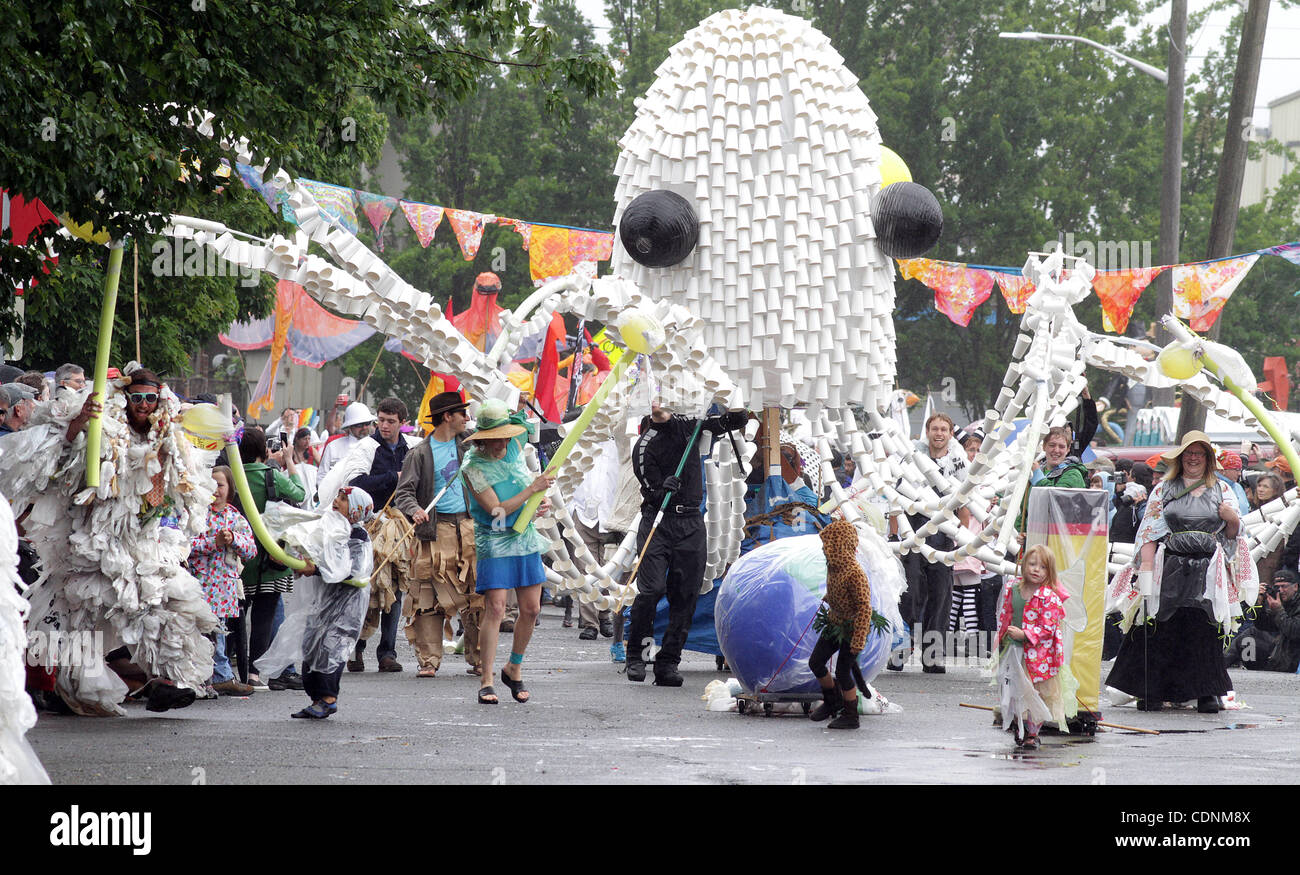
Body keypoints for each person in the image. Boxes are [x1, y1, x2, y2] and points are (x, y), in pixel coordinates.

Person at [0, 363, 220, 714]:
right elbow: (58, 459)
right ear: (126, 399)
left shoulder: (167, 437)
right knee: (78, 617)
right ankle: (70, 688)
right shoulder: (102, 424)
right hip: (90, 537)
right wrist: (82, 421)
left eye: (150, 398)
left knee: (160, 602)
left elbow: (172, 490)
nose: (144, 405)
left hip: (141, 538)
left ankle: (168, 681)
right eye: (138, 398)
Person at [1106, 431, 1249, 713]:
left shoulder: (1222, 490)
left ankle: (1206, 691)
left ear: (1207, 459)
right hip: (1168, 564)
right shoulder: (1164, 489)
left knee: (1202, 628)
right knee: (1159, 626)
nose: (1193, 458)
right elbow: (1149, 532)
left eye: (1199, 453)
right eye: (1189, 453)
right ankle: (1151, 689)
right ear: (1181, 457)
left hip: (1207, 568)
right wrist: (1145, 575)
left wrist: (1230, 518)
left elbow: (1234, 533)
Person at [625, 402, 748, 686]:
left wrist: (737, 414)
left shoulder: (690, 424)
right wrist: (659, 489)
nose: (660, 405)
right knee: (651, 589)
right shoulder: (645, 445)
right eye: (655, 402)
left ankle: (668, 662)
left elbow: (723, 425)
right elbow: (649, 488)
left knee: (686, 595)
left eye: (665, 399)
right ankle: (637, 653)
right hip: (658, 520)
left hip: (691, 522)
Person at [461, 399, 554, 705]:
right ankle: (486, 679)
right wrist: (532, 490)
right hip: (494, 539)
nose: (503, 443)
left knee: (531, 609)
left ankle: (514, 666)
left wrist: (539, 503)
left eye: (505, 435)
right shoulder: (472, 468)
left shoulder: (514, 447)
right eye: (495, 438)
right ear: (483, 439)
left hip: (525, 538)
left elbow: (528, 487)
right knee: (497, 608)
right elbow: (496, 510)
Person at [391, 391, 484, 678]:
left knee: (477, 596)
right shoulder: (419, 453)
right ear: (448, 417)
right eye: (462, 413)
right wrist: (415, 509)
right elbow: (403, 492)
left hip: (468, 528)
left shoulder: (469, 445)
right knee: (427, 599)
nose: (466, 418)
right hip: (435, 531)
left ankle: (479, 658)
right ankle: (428, 661)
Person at [335, 397, 420, 673]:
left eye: (390, 421)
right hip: (369, 525)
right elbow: (355, 484)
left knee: (394, 586)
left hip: (398, 528)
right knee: (365, 588)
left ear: (402, 423)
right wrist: (392, 477)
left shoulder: (411, 449)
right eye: (381, 420)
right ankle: (356, 650)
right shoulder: (367, 448)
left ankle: (387, 651)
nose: (384, 425)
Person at [285, 487, 375, 719]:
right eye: (338, 497)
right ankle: (316, 698)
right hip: (323, 601)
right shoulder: (328, 528)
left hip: (346, 605)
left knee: (331, 647)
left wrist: (315, 568)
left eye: (344, 500)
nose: (337, 501)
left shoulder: (358, 537)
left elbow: (351, 570)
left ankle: (328, 698)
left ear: (355, 510)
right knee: (311, 645)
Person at [890, 412, 968, 673]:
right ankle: (899, 651)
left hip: (944, 535)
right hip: (913, 531)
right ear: (927, 431)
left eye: (944, 429)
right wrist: (895, 534)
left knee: (940, 595)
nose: (939, 433)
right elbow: (896, 498)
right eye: (935, 428)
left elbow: (965, 501)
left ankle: (932, 656)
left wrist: (962, 537)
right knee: (909, 593)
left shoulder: (958, 462)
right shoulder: (914, 459)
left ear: (950, 434)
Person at [235, 426, 306, 691]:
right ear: (265, 450)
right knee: (264, 618)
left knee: (236, 617)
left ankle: (234, 672)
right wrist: (288, 460)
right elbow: (300, 493)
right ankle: (254, 674)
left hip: (238, 560)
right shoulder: (271, 476)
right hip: (271, 560)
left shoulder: (230, 476)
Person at [187, 466, 257, 697]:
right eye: (212, 484)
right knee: (200, 634)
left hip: (223, 588)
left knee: (219, 633)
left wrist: (233, 539)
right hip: (198, 586)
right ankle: (205, 677)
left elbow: (250, 550)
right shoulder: (196, 515)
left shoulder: (235, 517)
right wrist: (213, 543)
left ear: (230, 489)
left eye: (220, 485)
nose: (216, 490)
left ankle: (220, 676)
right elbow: (185, 547)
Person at [995, 545, 1068, 750]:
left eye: (1043, 567)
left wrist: (1026, 634)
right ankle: (1019, 727)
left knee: (1035, 694)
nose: (1036, 570)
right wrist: (1001, 639)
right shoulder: (1013, 588)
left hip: (1039, 656)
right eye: (1032, 564)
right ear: (1023, 564)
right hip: (1014, 650)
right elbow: (1005, 614)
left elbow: (1049, 627)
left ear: (1049, 571)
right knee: (1014, 691)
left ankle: (1032, 734)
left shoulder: (1049, 596)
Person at [1223, 569, 1300, 673]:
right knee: (1250, 634)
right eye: (1277, 587)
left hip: (1293, 658)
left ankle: (1221, 664)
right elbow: (1264, 626)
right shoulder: (1280, 600)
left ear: (1295, 587)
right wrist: (1259, 605)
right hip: (1282, 650)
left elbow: (1294, 632)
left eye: (1284, 586)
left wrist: (1279, 610)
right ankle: (1221, 664)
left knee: (1249, 634)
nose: (1281, 590)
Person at [317, 401, 374, 479]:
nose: (364, 427)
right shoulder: (333, 447)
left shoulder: (377, 447)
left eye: (367, 423)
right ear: (350, 426)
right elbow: (321, 476)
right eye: (359, 425)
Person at [1216, 451, 1251, 516]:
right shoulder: (1215, 486)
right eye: (1236, 469)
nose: (1239, 473)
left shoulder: (1237, 486)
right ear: (1222, 470)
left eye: (1240, 470)